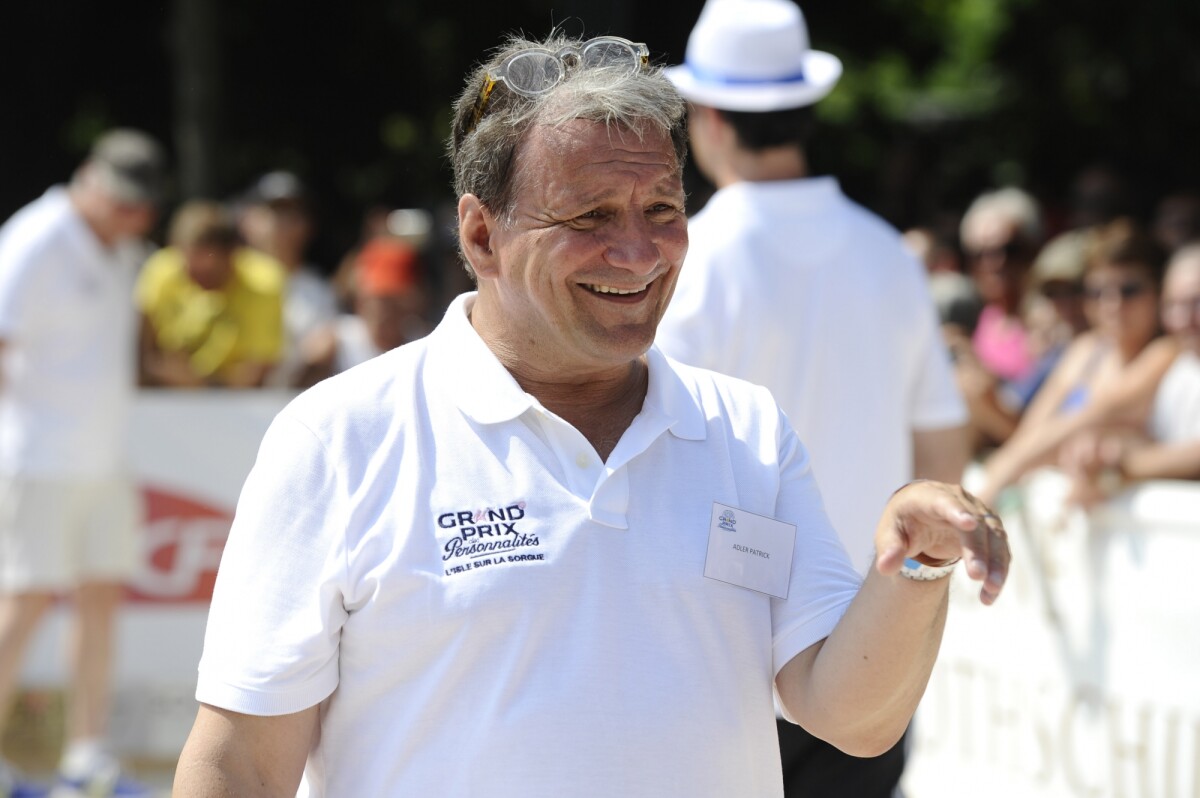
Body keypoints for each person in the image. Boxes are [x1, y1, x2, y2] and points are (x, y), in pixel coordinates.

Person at [173, 31, 1009, 798]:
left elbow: (852, 718)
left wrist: (915, 565)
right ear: (481, 236)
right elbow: (242, 761)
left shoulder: (748, 433)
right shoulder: (341, 438)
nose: (639, 253)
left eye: (662, 210)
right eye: (590, 216)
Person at [656, 3, 970, 794]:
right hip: (871, 647)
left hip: (731, 657)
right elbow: (942, 452)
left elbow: (657, 461)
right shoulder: (888, 255)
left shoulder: (694, 260)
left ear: (710, 118)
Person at [0, 129, 165, 798]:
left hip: (103, 458)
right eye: (123, 202)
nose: (134, 216)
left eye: (141, 206)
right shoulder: (34, 238)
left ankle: (85, 761)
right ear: (89, 181)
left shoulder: (120, 249)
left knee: (100, 599)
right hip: (36, 458)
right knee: (22, 604)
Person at [978, 220, 1168, 505]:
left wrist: (998, 476)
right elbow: (1032, 431)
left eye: (1129, 290)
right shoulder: (1086, 349)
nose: (1112, 304)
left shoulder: (1165, 351)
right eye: (1097, 292)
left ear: (1158, 292)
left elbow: (1094, 417)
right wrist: (1000, 472)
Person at [136, 200, 285, 388]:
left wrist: (195, 383)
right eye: (192, 272)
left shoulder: (263, 283)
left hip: (235, 401)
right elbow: (142, 351)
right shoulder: (161, 269)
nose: (200, 282)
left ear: (233, 256)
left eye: (209, 274)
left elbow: (256, 370)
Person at [235, 171, 339, 387]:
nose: (283, 223)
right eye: (274, 213)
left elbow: (321, 355)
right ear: (248, 221)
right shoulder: (226, 278)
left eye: (292, 214)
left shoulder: (319, 291)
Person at [293, 235, 431, 388]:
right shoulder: (337, 342)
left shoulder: (425, 343)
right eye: (378, 298)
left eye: (395, 298)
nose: (385, 309)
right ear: (359, 300)